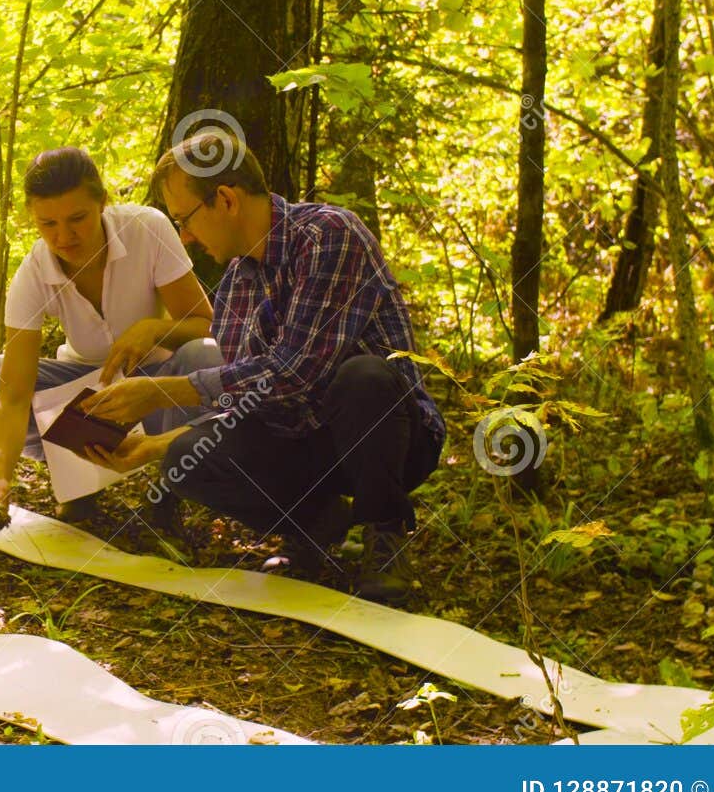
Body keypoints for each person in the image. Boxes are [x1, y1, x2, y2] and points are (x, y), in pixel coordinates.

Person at [79, 134, 446, 605]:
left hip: (390, 438)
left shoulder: (329, 235)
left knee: (363, 377)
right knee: (189, 457)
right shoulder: (235, 286)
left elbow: (297, 373)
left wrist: (163, 392)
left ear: (226, 199)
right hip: (304, 441)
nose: (185, 237)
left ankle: (385, 534)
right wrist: (154, 448)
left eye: (185, 220)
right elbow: (245, 402)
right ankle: (318, 525)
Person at [0, 147, 223, 524]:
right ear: (32, 219)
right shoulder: (34, 273)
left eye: (77, 218)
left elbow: (208, 326)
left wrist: (155, 330)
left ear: (103, 202)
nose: (64, 236)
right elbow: (13, 396)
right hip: (83, 403)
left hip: (157, 392)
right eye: (48, 224)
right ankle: (78, 473)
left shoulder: (146, 228)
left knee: (208, 357)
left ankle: (170, 481)